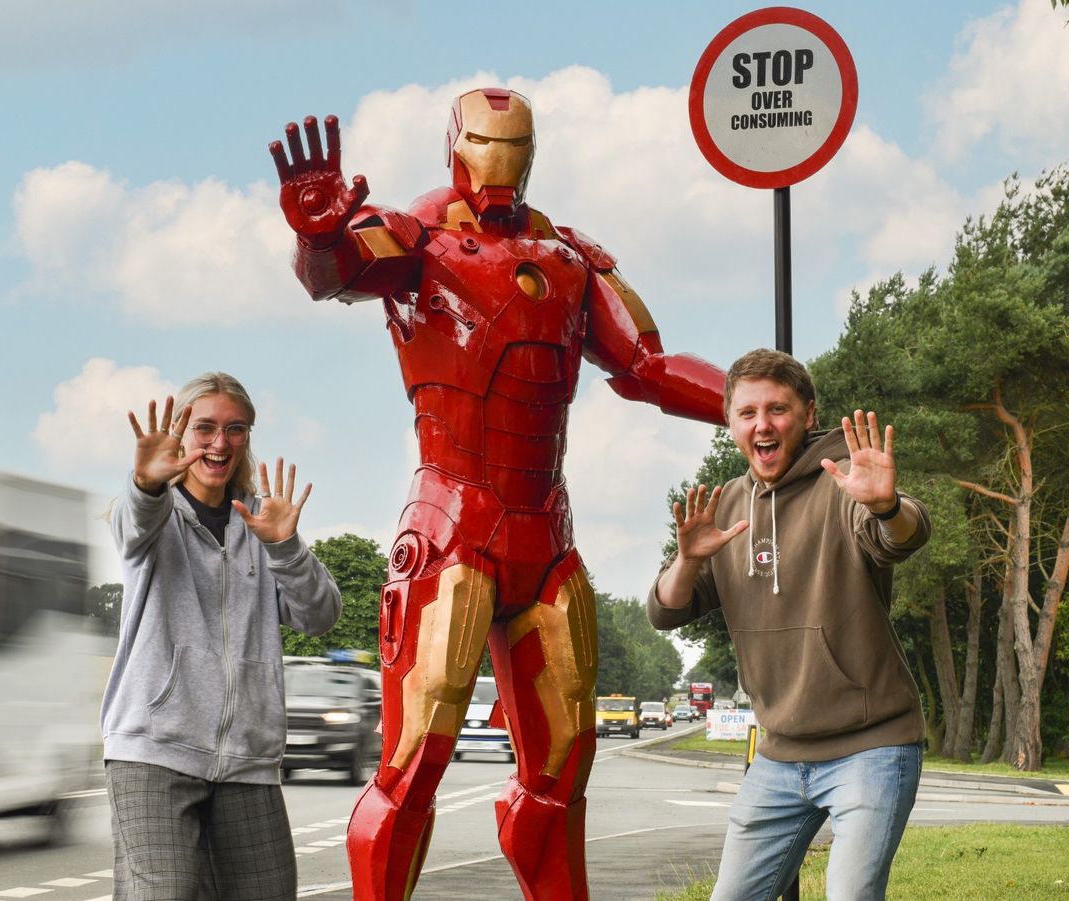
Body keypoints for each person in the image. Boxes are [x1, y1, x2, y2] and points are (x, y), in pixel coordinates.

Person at [269, 89, 727, 900]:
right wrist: (317, 234)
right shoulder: (419, 237)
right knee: (414, 763)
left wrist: (754, 404)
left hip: (547, 536)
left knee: (563, 764)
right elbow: (336, 274)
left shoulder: (571, 255)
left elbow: (647, 368)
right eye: (485, 141)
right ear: (458, 144)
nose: (499, 161)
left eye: (514, 145)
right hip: (453, 529)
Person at [647, 348, 931, 901]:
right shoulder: (727, 505)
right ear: (730, 423)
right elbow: (666, 611)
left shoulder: (842, 482)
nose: (763, 424)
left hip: (871, 748)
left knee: (849, 895)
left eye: (777, 409)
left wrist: (887, 504)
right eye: (747, 413)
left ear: (807, 413)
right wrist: (686, 560)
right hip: (778, 758)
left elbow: (902, 536)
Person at [100, 371, 342, 901]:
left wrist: (287, 548)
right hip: (155, 748)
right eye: (205, 427)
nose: (220, 442)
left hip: (247, 758)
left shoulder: (260, 523)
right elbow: (131, 524)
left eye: (236, 429)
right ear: (182, 436)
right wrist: (146, 484)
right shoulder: (154, 514)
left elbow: (319, 615)